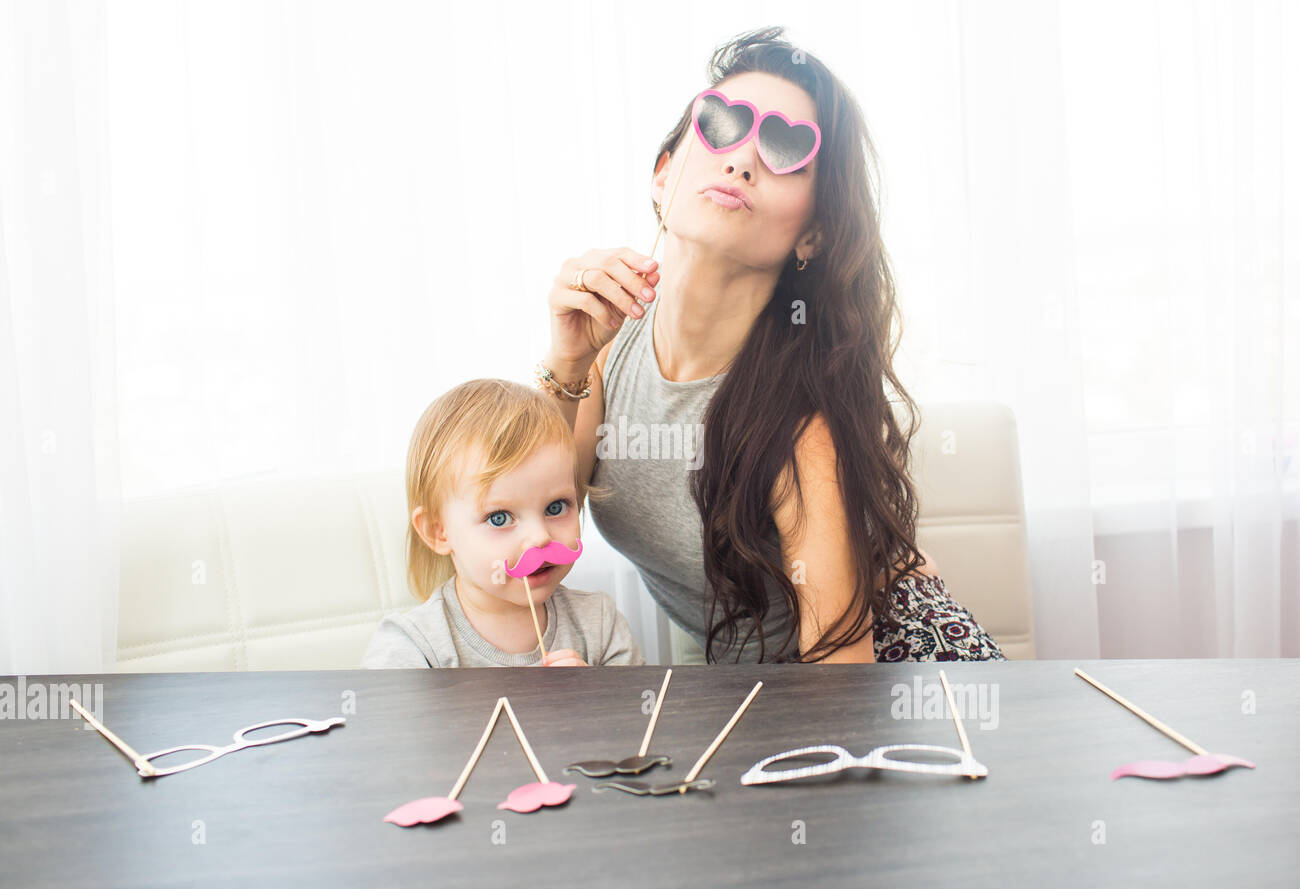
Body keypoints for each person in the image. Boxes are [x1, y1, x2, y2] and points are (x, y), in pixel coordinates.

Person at [535, 27, 1005, 664]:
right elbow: (526, 509)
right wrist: (566, 355)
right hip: (766, 695)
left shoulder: (802, 418)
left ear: (812, 235)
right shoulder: (608, 344)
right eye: (721, 125)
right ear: (662, 176)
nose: (742, 159)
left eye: (787, 147)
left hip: (898, 677)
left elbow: (841, 673)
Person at [362, 379, 643, 668]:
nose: (539, 538)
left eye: (555, 507)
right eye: (499, 518)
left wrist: (594, 697)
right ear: (438, 531)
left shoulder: (599, 623)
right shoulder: (411, 646)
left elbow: (646, 711)